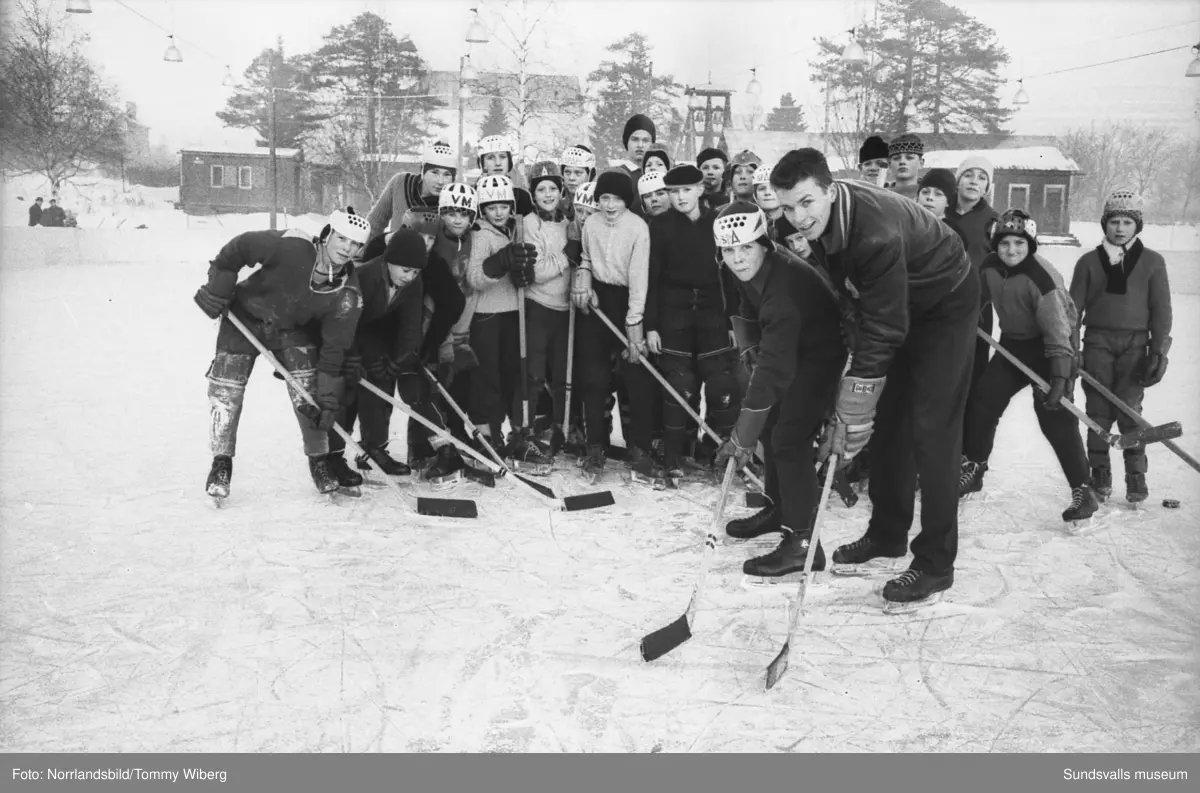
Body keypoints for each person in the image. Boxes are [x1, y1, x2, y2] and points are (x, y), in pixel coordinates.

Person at [770, 147, 979, 611]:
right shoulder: (817, 222)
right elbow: (857, 297)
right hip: (895, 301)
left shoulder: (875, 233)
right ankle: (887, 533)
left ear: (829, 190)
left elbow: (885, 329)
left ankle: (936, 563)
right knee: (890, 424)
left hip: (944, 303)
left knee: (933, 430)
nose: (798, 217)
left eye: (806, 202)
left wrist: (854, 401)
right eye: (787, 207)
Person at [711, 202, 847, 580]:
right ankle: (780, 508)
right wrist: (749, 345)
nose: (738, 258)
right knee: (772, 428)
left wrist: (741, 437)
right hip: (793, 347)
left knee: (789, 438)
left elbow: (773, 372)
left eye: (746, 248)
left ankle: (804, 543)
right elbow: (745, 305)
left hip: (820, 356)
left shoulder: (783, 290)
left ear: (764, 243)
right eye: (729, 250)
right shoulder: (751, 269)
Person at [194, 208, 369, 499]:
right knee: (226, 387)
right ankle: (221, 462)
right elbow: (238, 249)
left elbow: (334, 349)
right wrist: (218, 288)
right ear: (327, 234)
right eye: (342, 239)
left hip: (290, 329)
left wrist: (327, 399)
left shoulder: (348, 294)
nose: (347, 248)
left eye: (355, 244)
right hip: (244, 318)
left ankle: (319, 461)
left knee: (309, 391)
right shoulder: (292, 245)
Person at [959, 210, 1098, 521]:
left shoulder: (1043, 278)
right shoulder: (990, 267)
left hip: (1049, 350)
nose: (1011, 250)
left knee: (1055, 417)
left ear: (1031, 245)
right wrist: (964, 316)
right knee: (983, 402)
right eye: (1004, 243)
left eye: (1019, 243)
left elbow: (1059, 329)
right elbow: (977, 298)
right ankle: (975, 468)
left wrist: (1060, 374)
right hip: (1013, 346)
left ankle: (1083, 490)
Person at [329, 228, 468, 487]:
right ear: (389, 261)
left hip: (379, 335)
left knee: (382, 384)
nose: (410, 276)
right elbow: (344, 321)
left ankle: (375, 449)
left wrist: (401, 358)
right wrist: (353, 356)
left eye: (415, 272)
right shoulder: (364, 276)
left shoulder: (413, 282)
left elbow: (410, 326)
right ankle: (332, 455)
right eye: (405, 270)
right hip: (348, 335)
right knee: (346, 394)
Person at [1070, 190, 1172, 504]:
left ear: (1137, 225)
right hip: (1097, 343)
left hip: (1135, 345)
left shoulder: (1153, 262)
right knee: (1098, 412)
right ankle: (1099, 473)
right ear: (1105, 224)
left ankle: (1136, 475)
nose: (1120, 228)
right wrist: (1072, 349)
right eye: (1114, 221)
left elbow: (1162, 310)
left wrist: (1158, 351)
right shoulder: (1088, 262)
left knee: (1129, 412)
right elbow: (1072, 310)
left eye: (1127, 222)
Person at [645, 163, 742, 488]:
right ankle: (674, 459)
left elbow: (730, 276)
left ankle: (723, 457)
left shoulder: (718, 223)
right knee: (680, 386)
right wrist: (651, 325)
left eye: (686, 190)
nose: (680, 197)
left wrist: (733, 321)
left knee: (721, 386)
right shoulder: (660, 226)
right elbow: (651, 278)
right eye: (673, 192)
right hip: (674, 316)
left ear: (700, 189)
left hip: (713, 315)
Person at [570, 170, 656, 482]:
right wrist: (583, 281)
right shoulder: (591, 223)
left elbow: (639, 279)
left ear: (626, 201)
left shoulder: (638, 228)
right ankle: (596, 447)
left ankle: (640, 448)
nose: (609, 205)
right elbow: (586, 258)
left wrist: (634, 326)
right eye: (604, 198)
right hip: (597, 304)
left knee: (635, 376)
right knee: (593, 378)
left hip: (627, 304)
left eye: (616, 199)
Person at [465, 174, 552, 472]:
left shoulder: (515, 230)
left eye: (503, 206)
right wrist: (502, 261)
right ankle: (485, 438)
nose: (498, 212)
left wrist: (522, 274)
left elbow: (517, 272)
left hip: (514, 313)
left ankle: (514, 435)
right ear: (482, 209)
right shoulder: (479, 234)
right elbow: (475, 278)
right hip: (486, 316)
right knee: (487, 378)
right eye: (491, 208)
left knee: (512, 377)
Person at [518, 162, 576, 456]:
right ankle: (527, 430)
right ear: (533, 194)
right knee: (535, 374)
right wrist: (566, 256)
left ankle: (560, 427)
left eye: (553, 188)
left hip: (566, 309)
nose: (548, 194)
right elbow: (537, 272)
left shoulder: (569, 224)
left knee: (563, 375)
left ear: (561, 191)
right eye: (541, 189)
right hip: (538, 305)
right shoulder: (529, 224)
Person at [947, 155, 1001, 406]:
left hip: (977, 307)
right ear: (957, 181)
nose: (973, 181)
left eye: (981, 178)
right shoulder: (941, 211)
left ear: (987, 187)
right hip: (939, 302)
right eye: (968, 175)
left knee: (972, 373)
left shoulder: (994, 221)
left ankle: (965, 427)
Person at [367, 141, 458, 241]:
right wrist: (366, 250)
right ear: (423, 171)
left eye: (447, 175)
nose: (440, 181)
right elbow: (375, 223)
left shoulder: (451, 206)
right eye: (434, 172)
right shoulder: (401, 183)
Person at [475, 135, 535, 216]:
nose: (498, 163)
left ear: (509, 161)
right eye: (490, 158)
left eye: (502, 157)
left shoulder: (522, 196)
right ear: (482, 163)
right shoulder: (473, 195)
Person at [558, 144, 597, 218]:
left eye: (578, 173)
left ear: (590, 175)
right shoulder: (556, 205)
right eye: (567, 172)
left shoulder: (600, 205)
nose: (571, 178)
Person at [886, 133, 924, 200]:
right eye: (896, 158)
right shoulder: (882, 195)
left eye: (909, 158)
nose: (902, 162)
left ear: (921, 163)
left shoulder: (930, 196)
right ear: (889, 165)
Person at [697, 147, 729, 213]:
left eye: (716, 168)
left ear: (724, 171)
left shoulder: (731, 200)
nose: (710, 172)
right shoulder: (692, 200)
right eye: (705, 168)